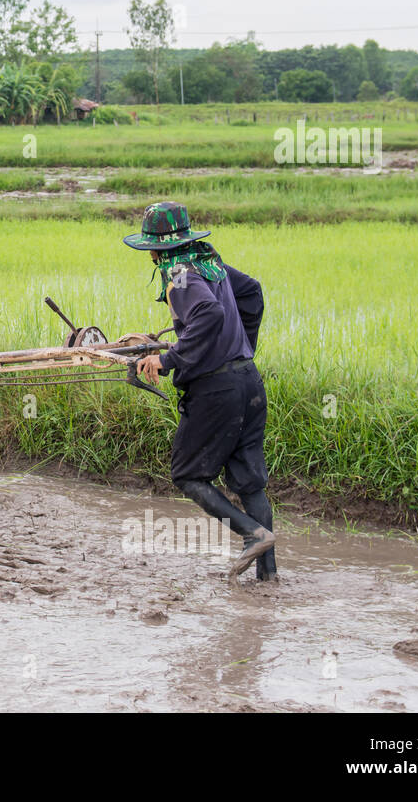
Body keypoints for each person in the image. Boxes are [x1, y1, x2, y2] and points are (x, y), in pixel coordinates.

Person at [122, 201, 277, 584]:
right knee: (250, 482)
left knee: (188, 475)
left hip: (216, 391)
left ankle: (252, 534)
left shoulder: (179, 276)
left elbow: (208, 315)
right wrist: (240, 345)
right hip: (248, 381)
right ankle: (268, 576)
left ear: (155, 249)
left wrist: (169, 359)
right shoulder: (211, 265)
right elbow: (252, 293)